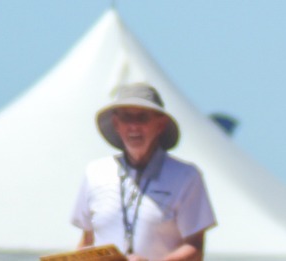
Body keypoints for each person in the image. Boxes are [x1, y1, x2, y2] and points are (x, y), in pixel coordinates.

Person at [71, 83, 217, 261]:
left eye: (142, 118)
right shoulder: (95, 173)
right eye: (126, 118)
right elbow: (87, 242)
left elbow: (195, 248)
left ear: (160, 124)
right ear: (116, 123)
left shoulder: (185, 176)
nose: (134, 126)